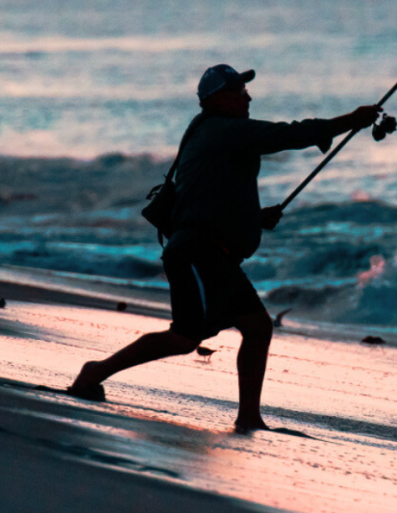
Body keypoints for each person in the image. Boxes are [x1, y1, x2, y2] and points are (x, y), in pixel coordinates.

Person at [69, 63, 380, 432]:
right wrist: (350, 120)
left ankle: (247, 416)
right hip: (198, 254)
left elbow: (207, 196)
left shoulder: (208, 131)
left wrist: (253, 217)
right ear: (219, 98)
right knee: (198, 335)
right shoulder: (223, 131)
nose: (248, 97)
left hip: (206, 253)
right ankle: (98, 372)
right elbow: (287, 135)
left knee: (236, 330)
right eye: (239, 91)